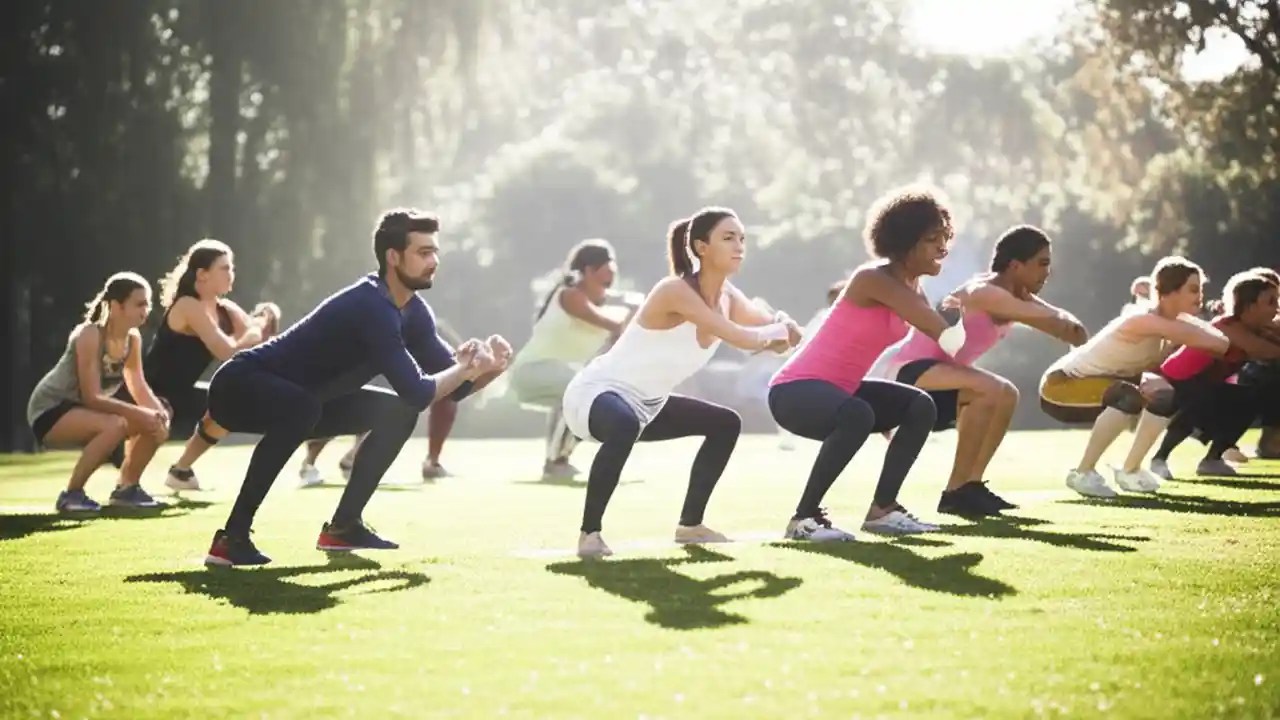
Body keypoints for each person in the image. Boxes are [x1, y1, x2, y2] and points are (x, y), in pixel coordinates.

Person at [203, 209, 509, 566]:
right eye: (423, 252)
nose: (434, 261)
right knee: (304, 407)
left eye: (435, 251)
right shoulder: (371, 306)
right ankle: (232, 537)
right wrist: (465, 368)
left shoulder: (415, 313)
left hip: (305, 403)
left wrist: (489, 370)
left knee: (396, 413)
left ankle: (343, 527)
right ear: (393, 257)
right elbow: (420, 390)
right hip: (239, 386)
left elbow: (450, 390)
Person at [562, 207, 801, 558]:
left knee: (724, 424)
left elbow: (770, 335)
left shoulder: (729, 297)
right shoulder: (674, 290)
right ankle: (590, 535)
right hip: (596, 395)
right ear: (701, 248)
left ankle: (691, 526)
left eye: (742, 239)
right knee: (625, 423)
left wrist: (783, 328)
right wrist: (779, 330)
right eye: (728, 237)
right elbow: (743, 337)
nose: (739, 246)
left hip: (650, 404)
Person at [768, 186, 964, 541]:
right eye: (932, 238)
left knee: (919, 405)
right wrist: (952, 318)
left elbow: (952, 342)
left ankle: (883, 511)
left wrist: (953, 319)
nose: (942, 248)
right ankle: (803, 520)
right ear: (905, 242)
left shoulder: (913, 290)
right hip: (793, 392)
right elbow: (949, 338)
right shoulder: (873, 279)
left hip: (840, 393)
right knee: (858, 413)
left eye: (945, 237)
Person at [878, 225, 1088, 516]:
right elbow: (1048, 317)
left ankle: (968, 487)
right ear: (1015, 265)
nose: (1047, 272)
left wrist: (1072, 333)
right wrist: (1067, 327)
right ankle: (957, 491)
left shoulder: (1016, 297)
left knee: (1005, 394)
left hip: (939, 377)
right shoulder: (984, 292)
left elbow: (1054, 320)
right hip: (907, 371)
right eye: (1042, 263)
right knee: (991, 388)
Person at [1040, 256, 1229, 497]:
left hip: (1103, 383)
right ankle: (1082, 473)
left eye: (1200, 289)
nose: (1199, 295)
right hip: (1060, 387)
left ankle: (1130, 471)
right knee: (1128, 396)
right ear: (1169, 292)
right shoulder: (1144, 320)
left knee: (1164, 396)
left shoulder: (1170, 323)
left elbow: (1216, 341)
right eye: (1193, 289)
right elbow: (1219, 344)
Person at [124, 239, 279, 492]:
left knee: (230, 404)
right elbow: (227, 350)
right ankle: (125, 487)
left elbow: (255, 341)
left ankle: (181, 471)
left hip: (183, 392)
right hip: (149, 392)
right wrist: (255, 330)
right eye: (225, 268)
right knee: (158, 416)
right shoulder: (188, 305)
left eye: (232, 268)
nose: (231, 274)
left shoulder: (225, 309)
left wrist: (264, 320)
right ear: (202, 274)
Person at [27, 272, 169, 511]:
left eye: (148, 303)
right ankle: (71, 495)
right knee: (116, 424)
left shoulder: (132, 339)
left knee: (155, 420)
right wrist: (139, 413)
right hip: (50, 411)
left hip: (83, 410)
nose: (146, 309)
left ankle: (127, 489)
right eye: (139, 303)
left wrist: (157, 413)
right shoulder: (90, 334)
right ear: (116, 306)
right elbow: (91, 397)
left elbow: (137, 383)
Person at [508, 239, 639, 480]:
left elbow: (617, 344)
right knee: (584, 390)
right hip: (531, 372)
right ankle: (555, 462)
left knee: (588, 398)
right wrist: (637, 310)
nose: (609, 283)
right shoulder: (570, 296)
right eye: (605, 275)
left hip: (555, 375)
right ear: (588, 271)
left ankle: (558, 460)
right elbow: (615, 325)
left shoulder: (604, 306)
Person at [1150, 270, 1280, 478]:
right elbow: (1265, 351)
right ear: (1249, 306)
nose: (1276, 308)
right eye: (1271, 301)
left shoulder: (1256, 328)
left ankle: (1212, 460)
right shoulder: (1226, 326)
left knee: (1252, 398)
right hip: (1174, 384)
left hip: (1203, 385)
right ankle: (1159, 459)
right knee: (1201, 396)